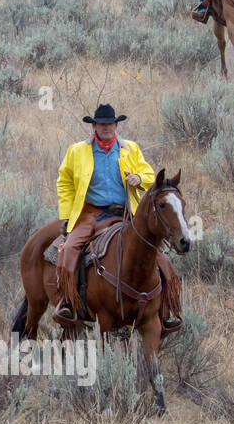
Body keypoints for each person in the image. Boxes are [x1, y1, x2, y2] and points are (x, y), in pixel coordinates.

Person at [53, 104, 182, 332]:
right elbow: (64, 181)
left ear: (116, 125)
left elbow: (150, 175)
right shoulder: (78, 151)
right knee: (70, 247)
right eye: (102, 124)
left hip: (124, 213)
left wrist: (138, 178)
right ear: (94, 126)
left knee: (160, 256)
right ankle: (67, 302)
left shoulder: (129, 149)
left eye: (111, 124)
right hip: (90, 213)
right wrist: (67, 214)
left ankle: (166, 309)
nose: (107, 128)